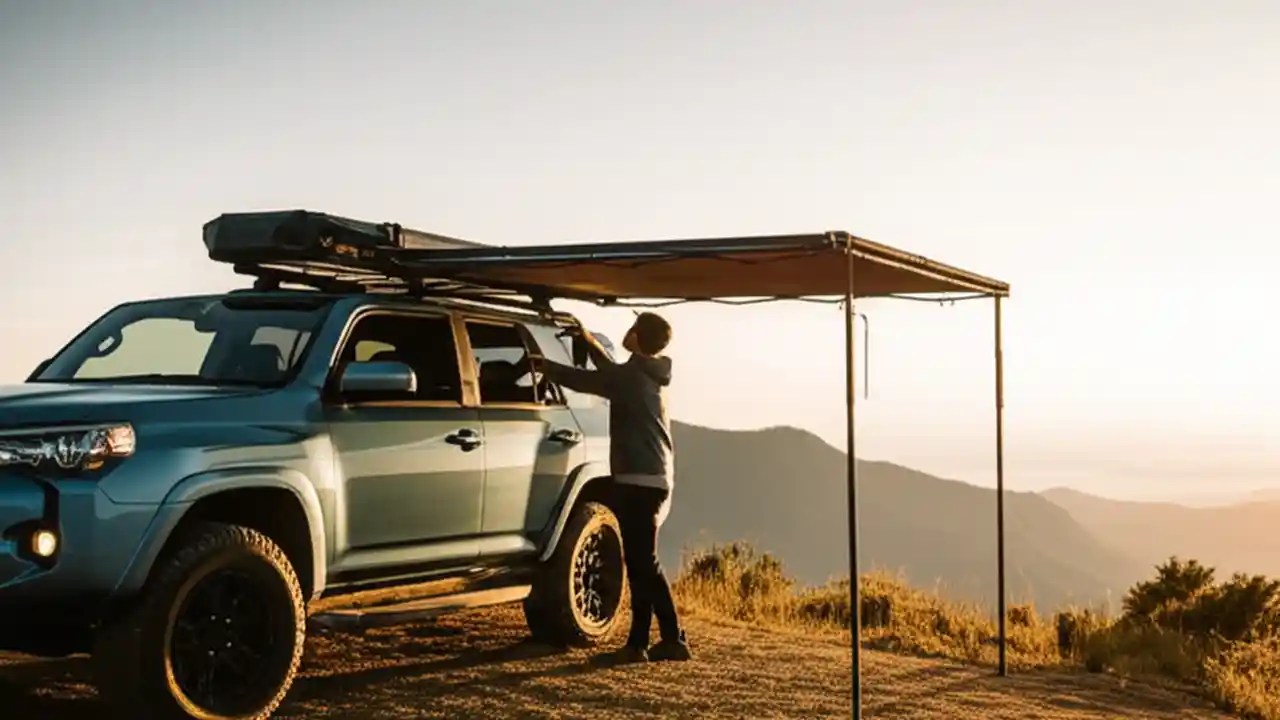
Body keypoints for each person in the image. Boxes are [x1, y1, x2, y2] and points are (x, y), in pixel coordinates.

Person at [534, 312, 691, 663]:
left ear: (637, 336)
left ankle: (643, 644)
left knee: (641, 563)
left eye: (631, 328)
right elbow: (608, 369)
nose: (626, 332)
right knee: (645, 563)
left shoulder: (632, 378)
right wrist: (586, 339)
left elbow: (591, 379)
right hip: (654, 478)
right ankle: (669, 638)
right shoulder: (648, 374)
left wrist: (544, 366)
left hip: (639, 480)